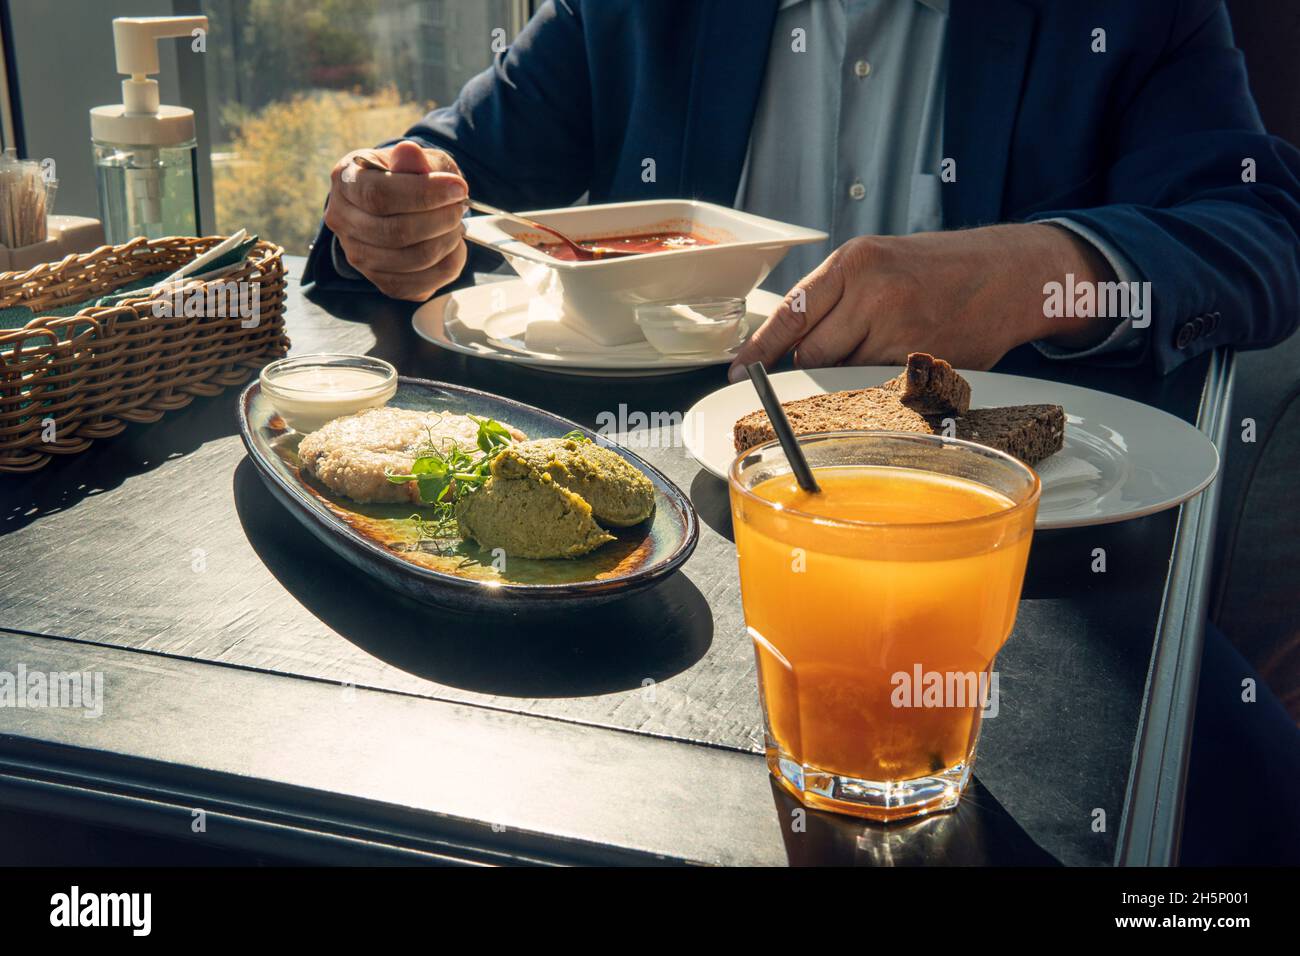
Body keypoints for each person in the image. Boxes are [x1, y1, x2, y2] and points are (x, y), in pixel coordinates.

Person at [304, 0, 1300, 384]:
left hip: (1011, 562)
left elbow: (1256, 230)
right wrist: (388, 211)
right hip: (661, 522)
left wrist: (1034, 274)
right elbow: (445, 165)